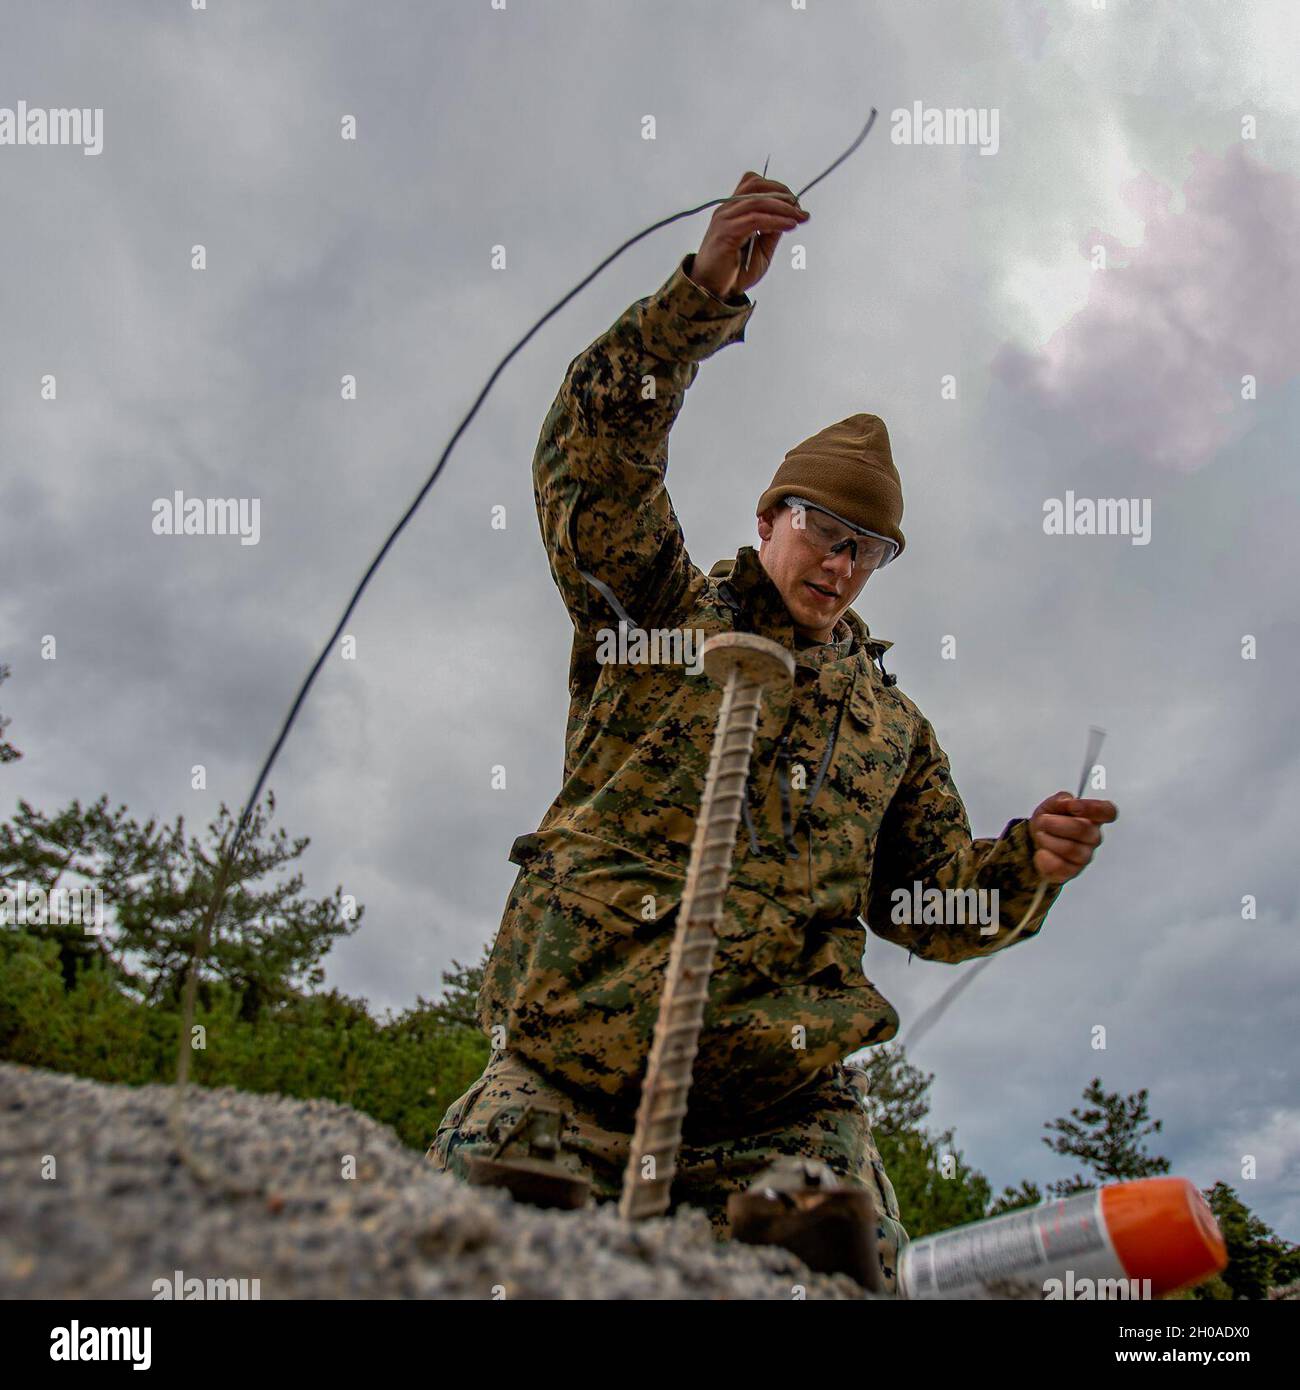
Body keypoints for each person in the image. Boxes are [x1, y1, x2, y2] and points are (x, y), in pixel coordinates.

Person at [428, 170, 1118, 1291]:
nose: (842, 561)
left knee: (843, 1269)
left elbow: (928, 906)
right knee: (445, 1258)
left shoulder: (890, 728)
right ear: (768, 517)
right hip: (566, 1066)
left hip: (779, 1104)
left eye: (869, 548)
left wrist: (1024, 867)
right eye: (825, 528)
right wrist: (697, 300)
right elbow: (593, 464)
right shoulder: (654, 614)